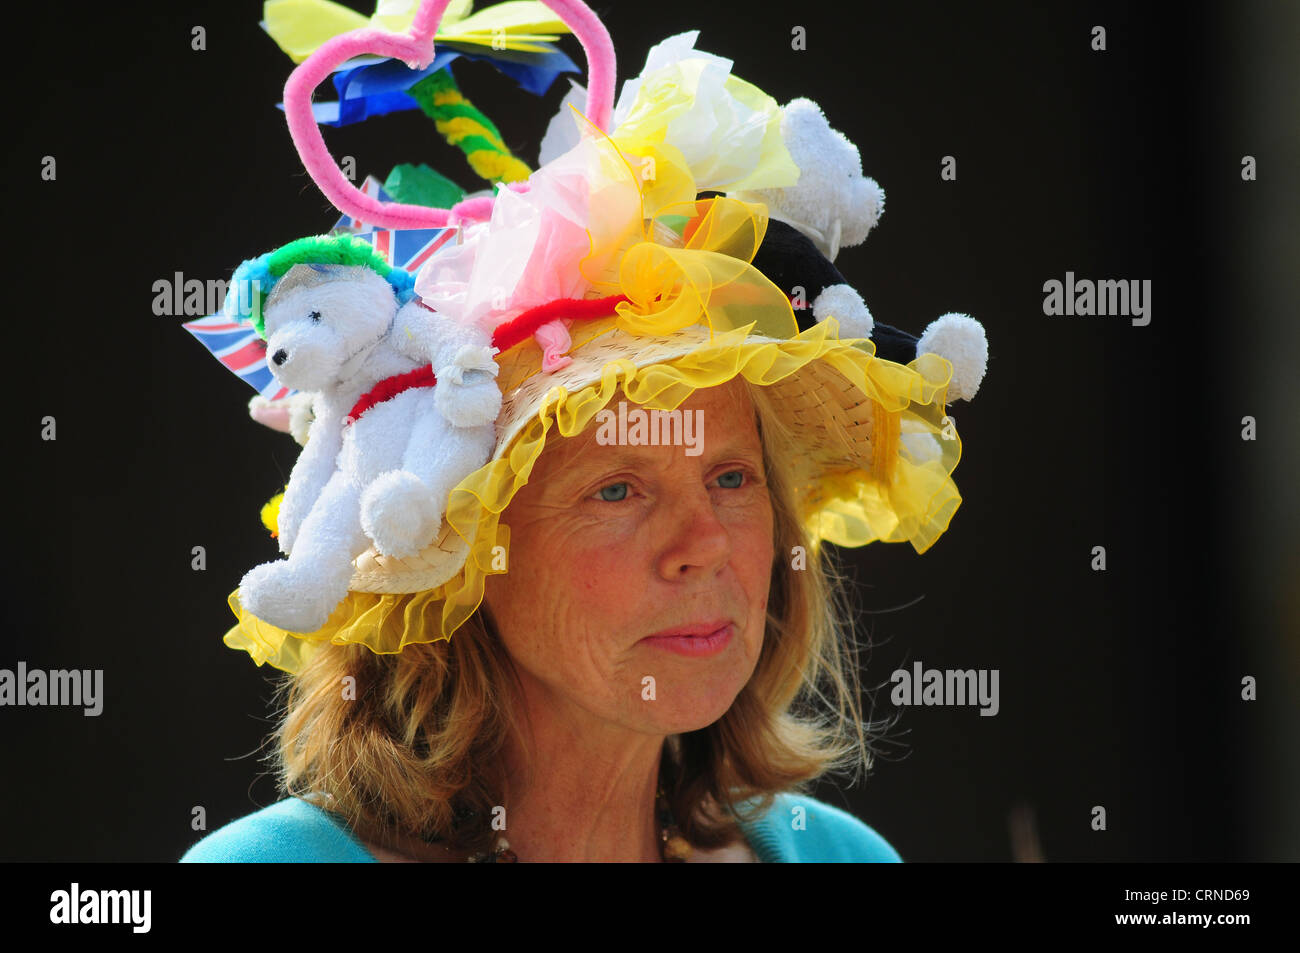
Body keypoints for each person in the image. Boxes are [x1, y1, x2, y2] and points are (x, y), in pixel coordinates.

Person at [179, 3, 988, 864]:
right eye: (617, 488)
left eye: (732, 478)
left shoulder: (835, 857)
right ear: (463, 550)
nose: (706, 545)